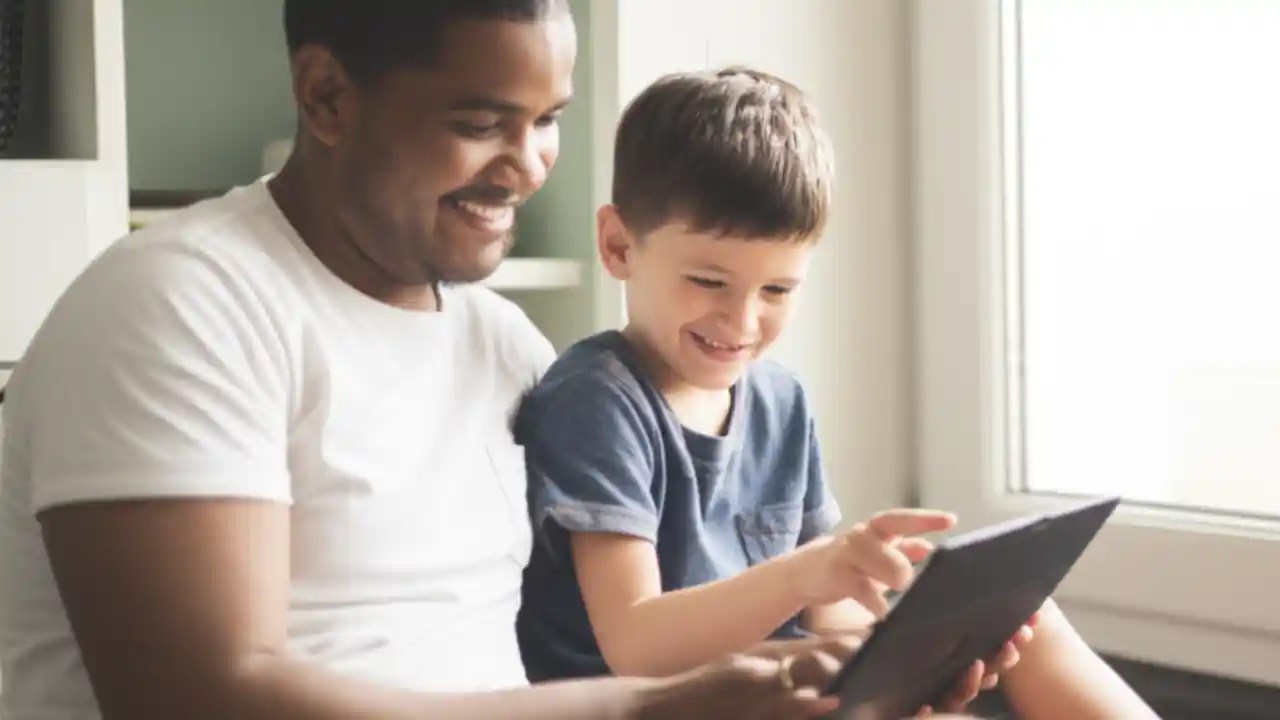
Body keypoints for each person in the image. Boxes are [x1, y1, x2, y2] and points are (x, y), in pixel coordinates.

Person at [0, 2, 855, 718]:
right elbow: (203, 699)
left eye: (548, 120)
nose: (527, 168)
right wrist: (645, 706)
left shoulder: (506, 346)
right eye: (482, 124)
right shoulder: (184, 306)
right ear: (327, 96)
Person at [513, 67, 1160, 720]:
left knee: (1031, 621)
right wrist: (805, 572)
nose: (742, 322)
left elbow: (829, 618)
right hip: (669, 705)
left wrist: (928, 661)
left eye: (777, 291)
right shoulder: (598, 401)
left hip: (781, 689)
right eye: (709, 281)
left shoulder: (780, 398)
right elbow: (636, 645)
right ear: (620, 245)